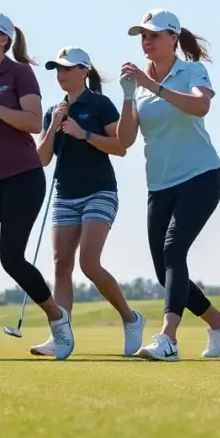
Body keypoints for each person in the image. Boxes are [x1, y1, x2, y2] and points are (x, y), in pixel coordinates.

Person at [0, 11, 74, 361]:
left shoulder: (20, 73)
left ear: (4, 39)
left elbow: (34, 122)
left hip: (22, 177)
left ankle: (56, 316)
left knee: (11, 258)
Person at [116, 8, 220, 361]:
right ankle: (218, 323)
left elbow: (200, 106)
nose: (146, 41)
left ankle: (167, 337)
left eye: (153, 35)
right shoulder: (137, 86)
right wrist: (127, 96)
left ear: (173, 37)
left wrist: (151, 85)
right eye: (143, 35)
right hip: (160, 185)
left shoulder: (192, 71)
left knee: (173, 251)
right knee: (163, 269)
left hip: (201, 176)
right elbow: (124, 142)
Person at [29, 46, 147, 357]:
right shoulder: (53, 110)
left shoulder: (99, 104)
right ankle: (60, 335)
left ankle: (131, 318)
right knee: (61, 265)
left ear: (84, 70)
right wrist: (54, 126)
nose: (61, 74)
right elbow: (41, 159)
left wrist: (85, 135)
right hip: (65, 195)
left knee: (88, 263)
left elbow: (121, 147)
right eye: (58, 69)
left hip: (100, 191)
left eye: (68, 68)